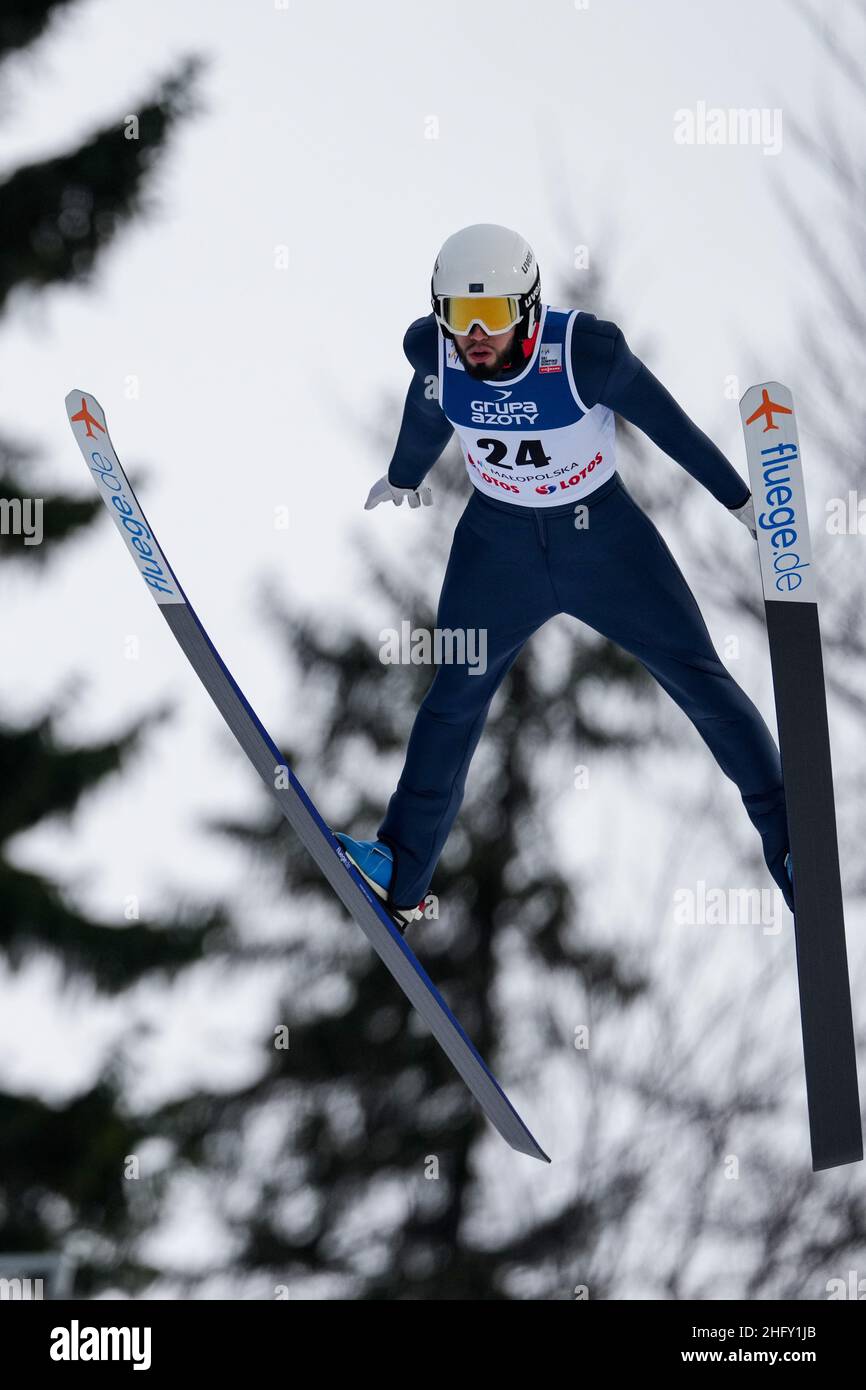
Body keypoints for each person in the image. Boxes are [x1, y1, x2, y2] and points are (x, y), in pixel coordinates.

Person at [336, 223, 793, 928]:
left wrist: (740, 501)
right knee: (452, 700)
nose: (474, 334)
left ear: (528, 307)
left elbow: (669, 427)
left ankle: (793, 849)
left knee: (700, 680)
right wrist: (403, 475)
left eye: (491, 315)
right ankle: (400, 871)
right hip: (498, 550)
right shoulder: (436, 354)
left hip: (603, 543)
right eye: (459, 314)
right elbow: (428, 413)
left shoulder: (586, 353)